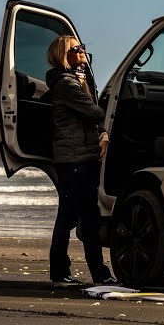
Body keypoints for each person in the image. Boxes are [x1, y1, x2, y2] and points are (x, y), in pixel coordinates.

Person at [45, 34, 116, 287]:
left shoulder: (76, 81)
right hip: (73, 159)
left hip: (83, 157)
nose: (83, 52)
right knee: (69, 216)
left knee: (89, 216)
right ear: (65, 54)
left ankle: (99, 273)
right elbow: (94, 111)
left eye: (83, 47)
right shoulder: (66, 83)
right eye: (77, 49)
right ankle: (59, 273)